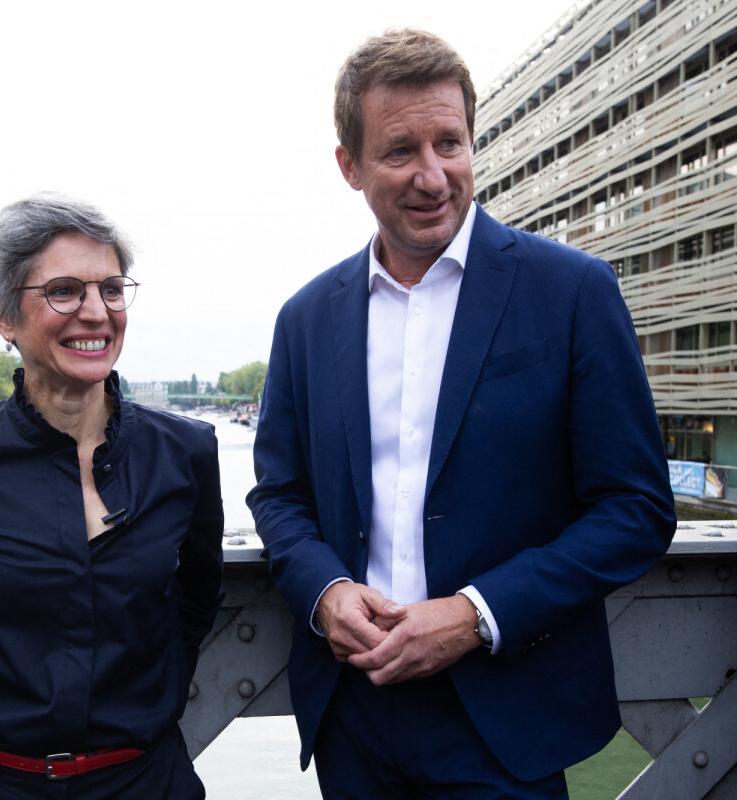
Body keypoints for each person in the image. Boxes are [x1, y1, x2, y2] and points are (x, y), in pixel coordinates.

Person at [247, 28, 676, 799]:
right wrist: (325, 592)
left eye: (450, 143)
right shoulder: (305, 318)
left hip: (506, 715)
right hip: (354, 715)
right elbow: (280, 496)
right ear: (349, 166)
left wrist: (476, 614)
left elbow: (637, 509)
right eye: (400, 150)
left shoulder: (574, 292)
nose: (433, 175)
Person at [0, 194, 224, 798]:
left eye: (111, 289)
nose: (96, 312)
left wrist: (151, 696)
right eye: (64, 291)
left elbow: (199, 591)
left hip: (146, 778)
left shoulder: (185, 451)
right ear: (3, 315)